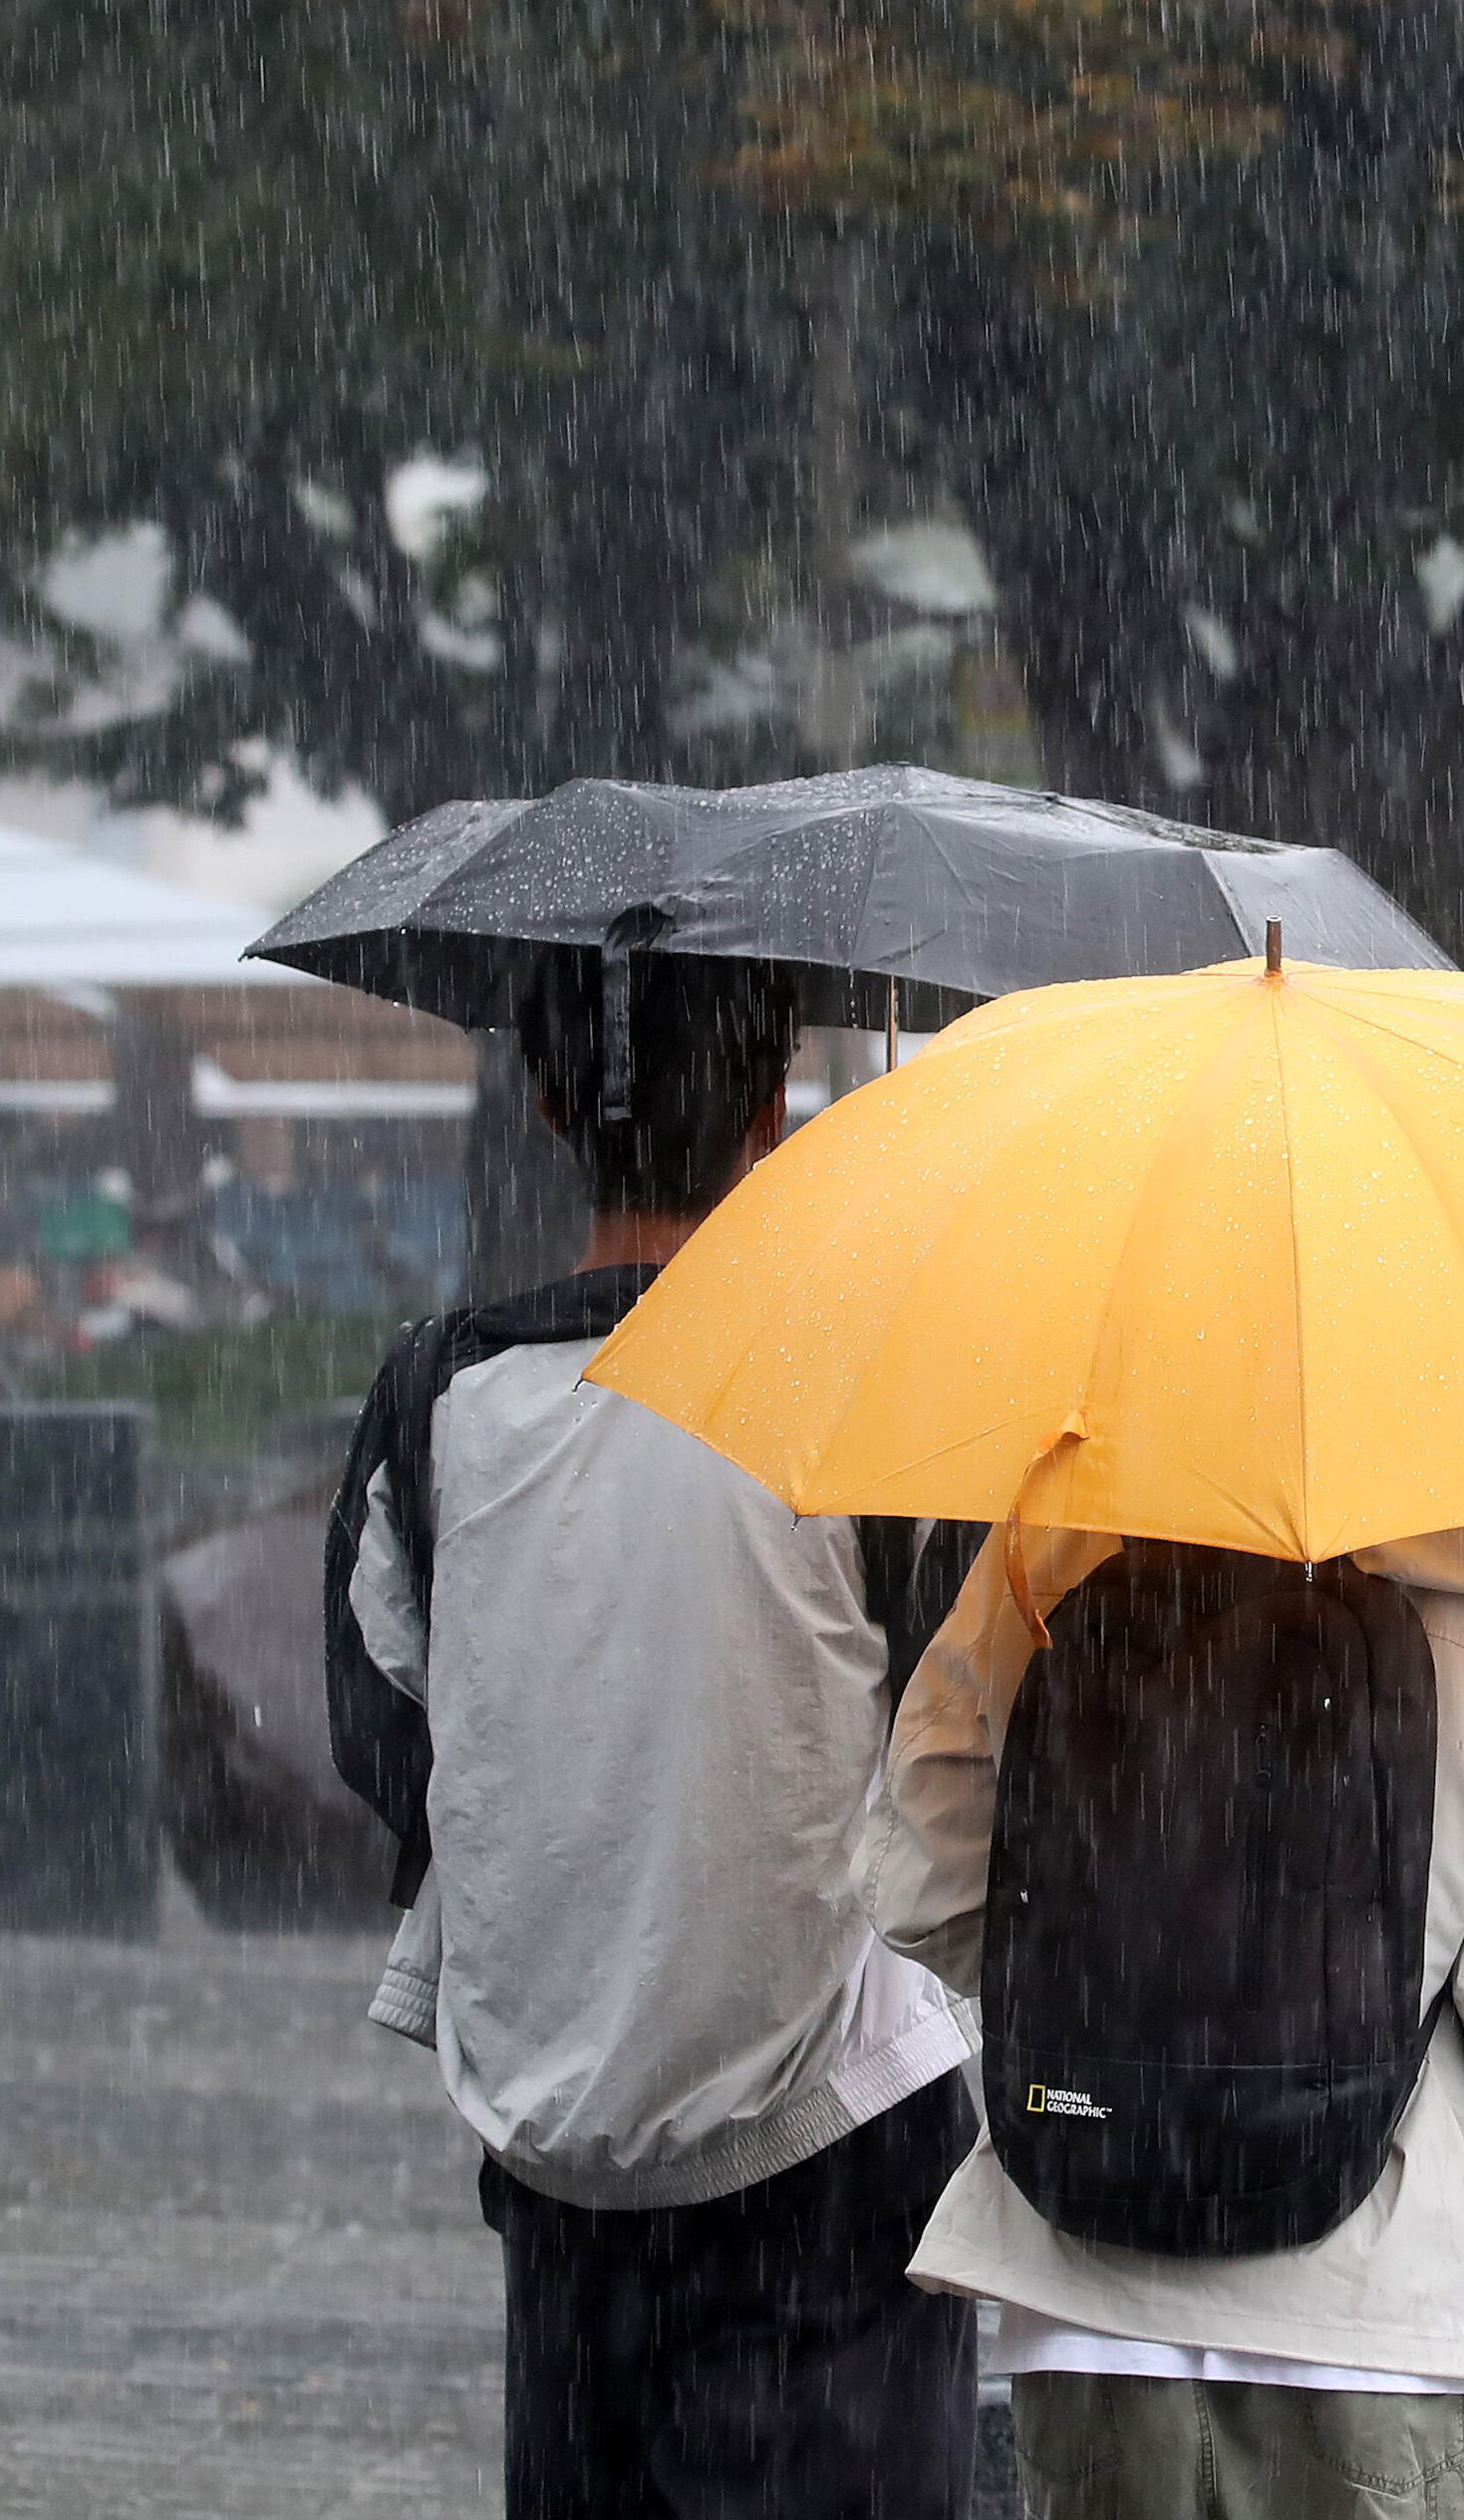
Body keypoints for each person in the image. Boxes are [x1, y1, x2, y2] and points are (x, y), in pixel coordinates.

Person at [325, 955, 982, 2517]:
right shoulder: (856, 1392)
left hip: (559, 2145)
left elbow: (388, 1733)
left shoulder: (439, 1399)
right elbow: (958, 1734)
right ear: (773, 1107)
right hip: (834, 2136)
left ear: (550, 1103)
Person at [869, 1512, 1464, 2520]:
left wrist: (1125, 2004)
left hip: (1095, 2312)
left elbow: (927, 1894)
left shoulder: (1055, 1533)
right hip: (1397, 2316)